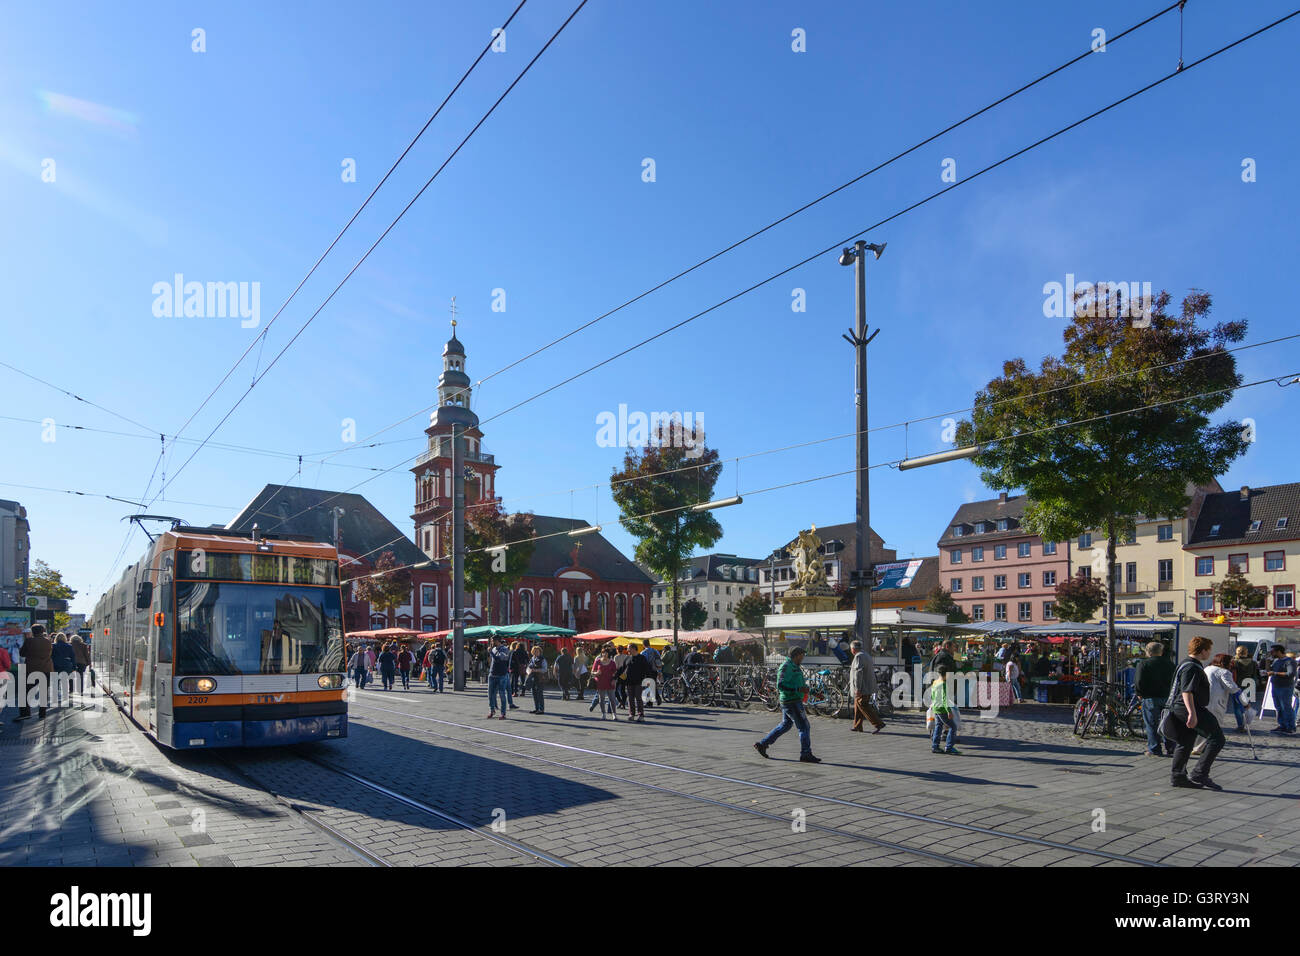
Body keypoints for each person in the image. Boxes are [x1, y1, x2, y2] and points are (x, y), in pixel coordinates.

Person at [1163, 636, 1224, 790]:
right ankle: (1200, 773)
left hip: (1180, 708)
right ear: (1202, 650)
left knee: (1185, 742)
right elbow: (1187, 691)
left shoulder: (1185, 663)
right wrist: (1192, 713)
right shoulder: (1192, 667)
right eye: (1208, 650)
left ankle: (1178, 777)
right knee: (1217, 738)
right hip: (1188, 708)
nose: (1209, 653)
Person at [753, 646, 819, 763]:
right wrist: (797, 689)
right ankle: (805, 754)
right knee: (804, 727)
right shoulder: (786, 666)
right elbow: (781, 685)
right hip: (791, 701)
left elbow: (800, 685)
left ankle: (763, 744)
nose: (803, 657)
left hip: (792, 700)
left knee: (786, 725)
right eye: (802, 655)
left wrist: (813, 692)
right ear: (797, 655)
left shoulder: (795, 666)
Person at [1193, 654, 1242, 756]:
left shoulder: (1208, 668)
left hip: (1203, 700)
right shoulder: (1224, 672)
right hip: (1216, 703)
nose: (1232, 664)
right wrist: (1243, 699)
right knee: (1213, 725)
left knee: (1202, 724)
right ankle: (1199, 748)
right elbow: (1232, 688)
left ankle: (1196, 746)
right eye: (1230, 662)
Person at [1135, 641, 1175, 757]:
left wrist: (1139, 693)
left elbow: (1139, 681)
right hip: (1167, 697)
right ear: (1161, 652)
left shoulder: (1143, 664)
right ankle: (1171, 747)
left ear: (1148, 652)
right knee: (1167, 723)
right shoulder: (1170, 664)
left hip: (1150, 697)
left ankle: (1155, 749)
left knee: (1152, 724)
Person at [16, 624, 53, 720]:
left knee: (25, 692)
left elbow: (22, 653)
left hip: (31, 669)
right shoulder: (48, 641)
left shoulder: (29, 641)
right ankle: (42, 714)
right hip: (46, 669)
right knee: (44, 692)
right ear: (42, 631)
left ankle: (25, 713)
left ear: (33, 632)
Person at [848, 640, 885, 733]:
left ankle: (878, 723)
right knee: (858, 705)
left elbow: (858, 674)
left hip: (863, 687)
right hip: (868, 685)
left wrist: (857, 688)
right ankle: (857, 725)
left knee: (863, 705)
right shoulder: (866, 654)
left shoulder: (858, 656)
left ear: (853, 649)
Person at [928, 664, 960, 754]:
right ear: (946, 674)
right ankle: (949, 747)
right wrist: (949, 711)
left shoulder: (935, 682)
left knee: (938, 726)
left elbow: (932, 695)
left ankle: (935, 746)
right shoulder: (943, 684)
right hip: (942, 709)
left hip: (936, 707)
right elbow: (945, 699)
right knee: (953, 727)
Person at [1265, 644, 1296, 734]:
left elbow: (1290, 674)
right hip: (1275, 686)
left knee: (1286, 707)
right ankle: (1282, 725)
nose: (1271, 653)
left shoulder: (1289, 661)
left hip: (1285, 687)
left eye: (1273, 652)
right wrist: (1267, 661)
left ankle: (1290, 727)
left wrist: (1275, 673)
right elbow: (1269, 670)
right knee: (1278, 707)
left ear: (1278, 651)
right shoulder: (1276, 661)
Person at [1231, 645, 1259, 731]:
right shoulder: (1253, 663)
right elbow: (1255, 675)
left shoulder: (1235, 662)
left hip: (1237, 687)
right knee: (1245, 706)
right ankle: (1246, 723)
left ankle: (1240, 725)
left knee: (1237, 707)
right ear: (1246, 652)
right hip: (1249, 687)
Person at [625, 646, 655, 723]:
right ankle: (631, 714)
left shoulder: (642, 658)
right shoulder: (627, 658)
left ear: (634, 649)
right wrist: (615, 677)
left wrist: (649, 679)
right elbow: (622, 668)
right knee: (630, 699)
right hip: (629, 682)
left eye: (629, 648)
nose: (628, 650)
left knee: (638, 698)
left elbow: (647, 669)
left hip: (639, 682)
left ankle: (641, 715)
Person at [487, 636, 513, 719]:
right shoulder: (494, 649)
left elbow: (500, 659)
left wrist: (491, 653)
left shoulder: (504, 649)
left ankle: (503, 713)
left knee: (502, 694)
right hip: (492, 674)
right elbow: (492, 661)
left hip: (501, 675)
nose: (491, 642)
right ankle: (492, 710)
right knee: (490, 694)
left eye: (492, 641)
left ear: (497, 641)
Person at [590, 647, 618, 720]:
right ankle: (604, 714)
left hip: (610, 682)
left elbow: (615, 672)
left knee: (612, 699)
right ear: (601, 653)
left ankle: (614, 714)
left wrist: (614, 680)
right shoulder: (598, 661)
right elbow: (592, 672)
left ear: (608, 654)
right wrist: (596, 673)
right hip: (600, 682)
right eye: (603, 653)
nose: (604, 654)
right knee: (601, 699)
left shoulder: (612, 662)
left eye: (606, 653)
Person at [51, 633, 76, 706]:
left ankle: (56, 695)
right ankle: (66, 694)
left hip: (56, 665)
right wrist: (74, 667)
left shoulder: (53, 646)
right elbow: (73, 657)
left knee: (56, 680)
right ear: (65, 638)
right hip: (66, 665)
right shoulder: (69, 646)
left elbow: (51, 656)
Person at [525, 644, 548, 714]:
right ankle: (536, 708)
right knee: (534, 693)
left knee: (539, 694)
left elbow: (545, 669)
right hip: (533, 678)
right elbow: (528, 667)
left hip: (540, 678)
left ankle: (541, 709)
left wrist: (536, 670)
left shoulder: (542, 659)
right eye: (534, 651)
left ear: (540, 652)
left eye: (537, 651)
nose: (535, 652)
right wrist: (528, 671)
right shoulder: (532, 658)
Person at [640, 640, 662, 706]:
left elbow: (642, 663)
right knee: (653, 684)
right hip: (655, 670)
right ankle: (657, 698)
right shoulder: (656, 651)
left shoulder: (643, 652)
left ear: (643, 645)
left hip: (647, 671)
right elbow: (659, 661)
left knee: (647, 687)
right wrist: (659, 671)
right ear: (649, 644)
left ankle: (649, 702)